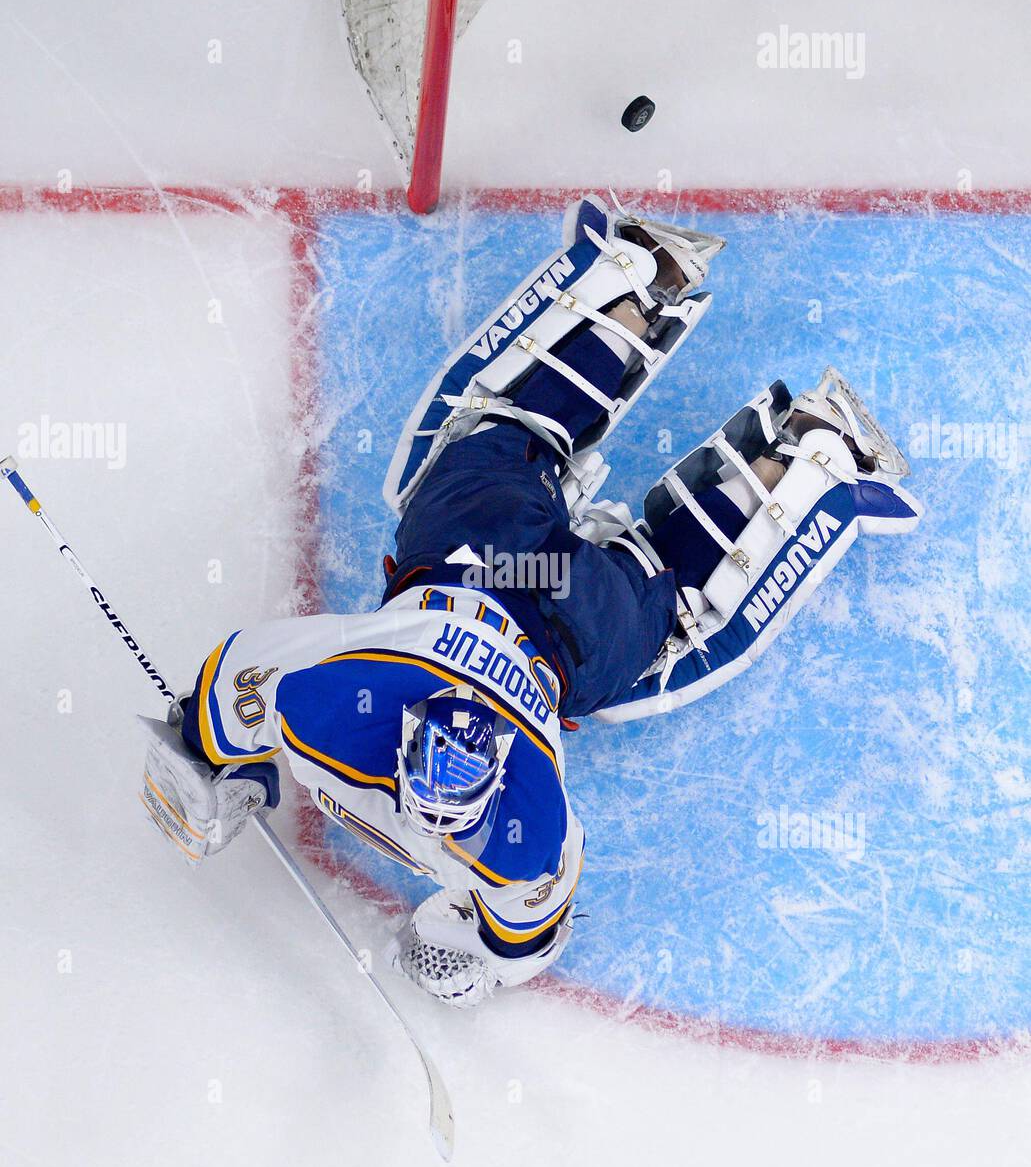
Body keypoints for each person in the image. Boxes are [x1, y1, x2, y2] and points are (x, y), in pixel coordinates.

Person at [139, 196, 920, 1007]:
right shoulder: (509, 816)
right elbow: (245, 674)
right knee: (498, 433)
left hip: (546, 615)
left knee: (672, 606)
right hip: (505, 574)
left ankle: (815, 442)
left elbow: (239, 674)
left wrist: (206, 750)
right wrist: (210, 741)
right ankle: (651, 285)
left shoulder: (349, 718)